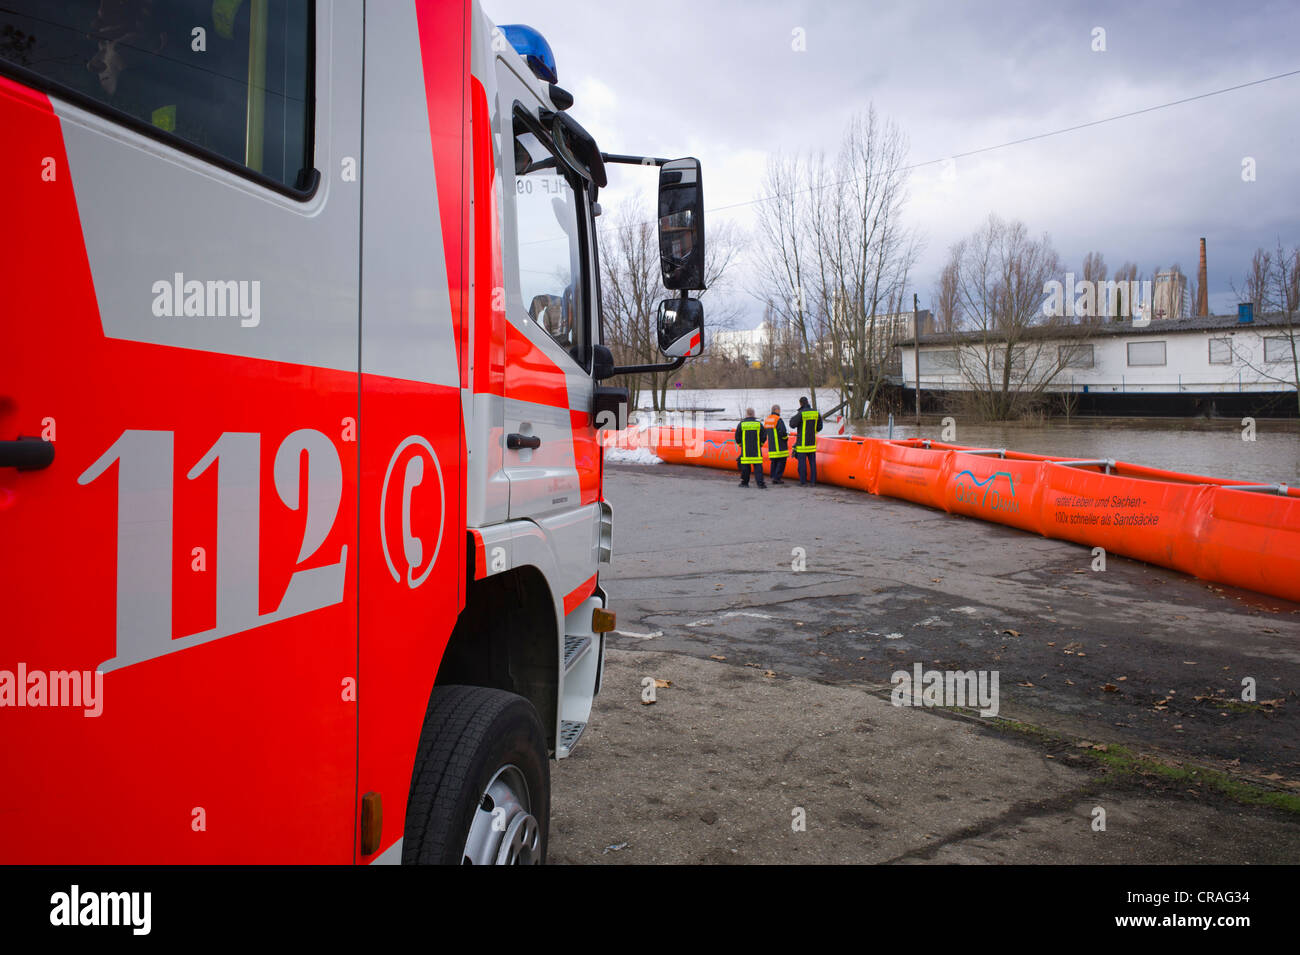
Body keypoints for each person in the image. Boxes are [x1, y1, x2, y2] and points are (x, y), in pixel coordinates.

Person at [788, 397, 823, 486]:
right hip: (812, 444)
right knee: (812, 464)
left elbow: (792, 424)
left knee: (802, 464)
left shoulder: (801, 413)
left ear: (800, 404)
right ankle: (813, 482)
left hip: (802, 444)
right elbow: (820, 427)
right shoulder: (816, 413)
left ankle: (803, 482)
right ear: (807, 402)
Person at [734, 407, 767, 489]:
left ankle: (745, 483)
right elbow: (764, 436)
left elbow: (737, 436)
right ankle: (760, 484)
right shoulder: (758, 424)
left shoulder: (741, 424)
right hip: (756, 451)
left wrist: (740, 445)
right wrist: (761, 444)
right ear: (753, 414)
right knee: (758, 468)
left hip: (746, 451)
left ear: (747, 414)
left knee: (745, 468)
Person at [763, 404, 790, 485]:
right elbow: (782, 432)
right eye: (779, 410)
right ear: (777, 410)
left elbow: (764, 433)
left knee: (774, 462)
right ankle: (777, 478)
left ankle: (773, 476)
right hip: (780, 446)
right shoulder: (778, 419)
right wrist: (786, 438)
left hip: (772, 447)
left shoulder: (767, 420)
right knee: (781, 462)